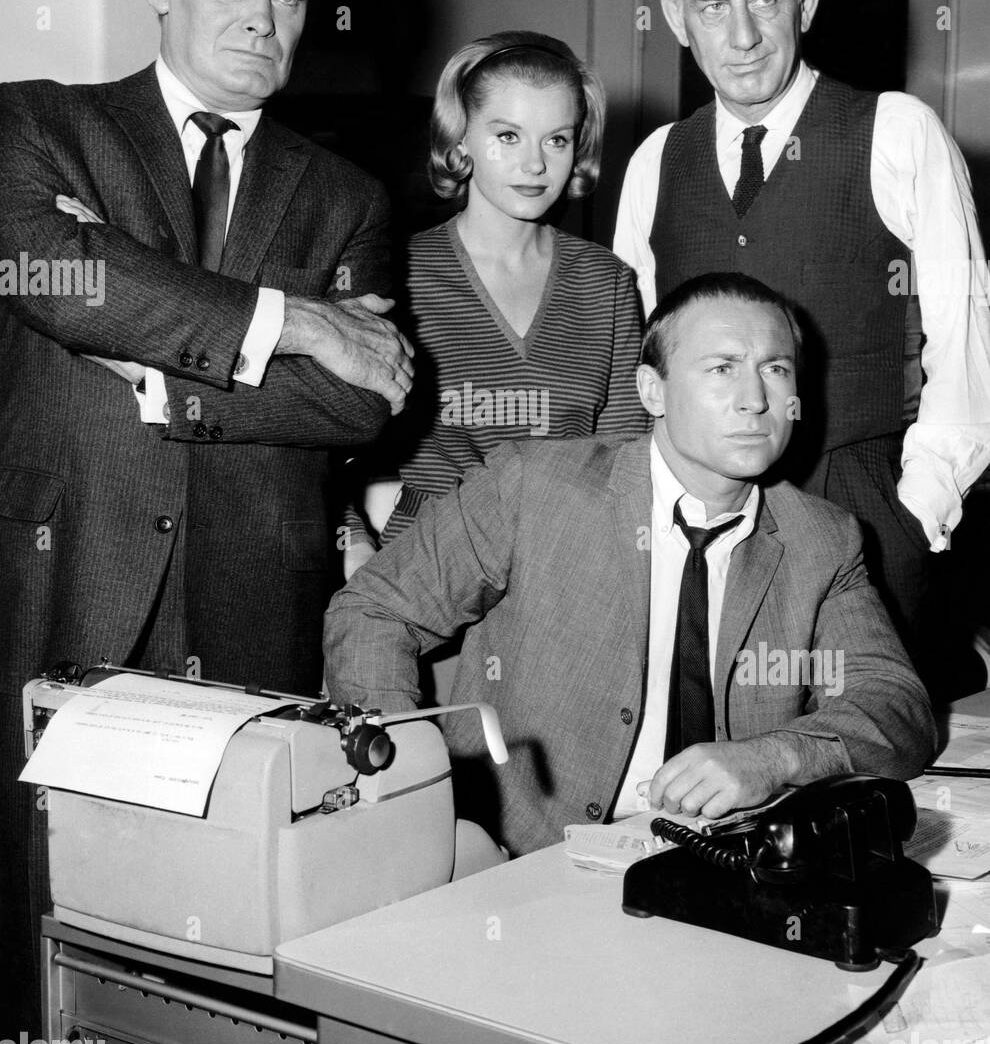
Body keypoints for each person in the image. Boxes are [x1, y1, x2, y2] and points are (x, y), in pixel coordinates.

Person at [0, 0, 413, 1034]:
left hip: (251, 596)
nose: (263, 18)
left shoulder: (346, 193)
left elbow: (363, 409)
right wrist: (297, 323)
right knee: (41, 904)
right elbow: (53, 272)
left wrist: (156, 376)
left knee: (232, 931)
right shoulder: (36, 122)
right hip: (60, 567)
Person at [325, 274, 935, 859]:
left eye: (774, 370)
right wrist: (413, 801)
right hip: (518, 864)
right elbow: (372, 610)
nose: (755, 401)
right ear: (653, 391)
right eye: (722, 369)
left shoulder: (821, 541)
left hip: (719, 866)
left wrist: (775, 758)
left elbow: (897, 708)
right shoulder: (532, 489)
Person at [613, 0, 990, 703]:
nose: (742, 36)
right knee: (728, 762)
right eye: (713, 6)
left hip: (867, 499)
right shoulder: (655, 162)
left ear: (807, 1)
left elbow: (968, 338)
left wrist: (916, 511)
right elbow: (637, 373)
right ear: (677, 18)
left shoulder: (896, 131)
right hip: (711, 521)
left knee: (878, 772)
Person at [344, 31, 648, 575]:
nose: (535, 164)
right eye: (508, 136)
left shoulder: (608, 283)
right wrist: (352, 541)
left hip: (564, 570)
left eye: (557, 139)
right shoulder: (397, 275)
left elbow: (628, 461)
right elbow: (321, 436)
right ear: (460, 142)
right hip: (421, 573)